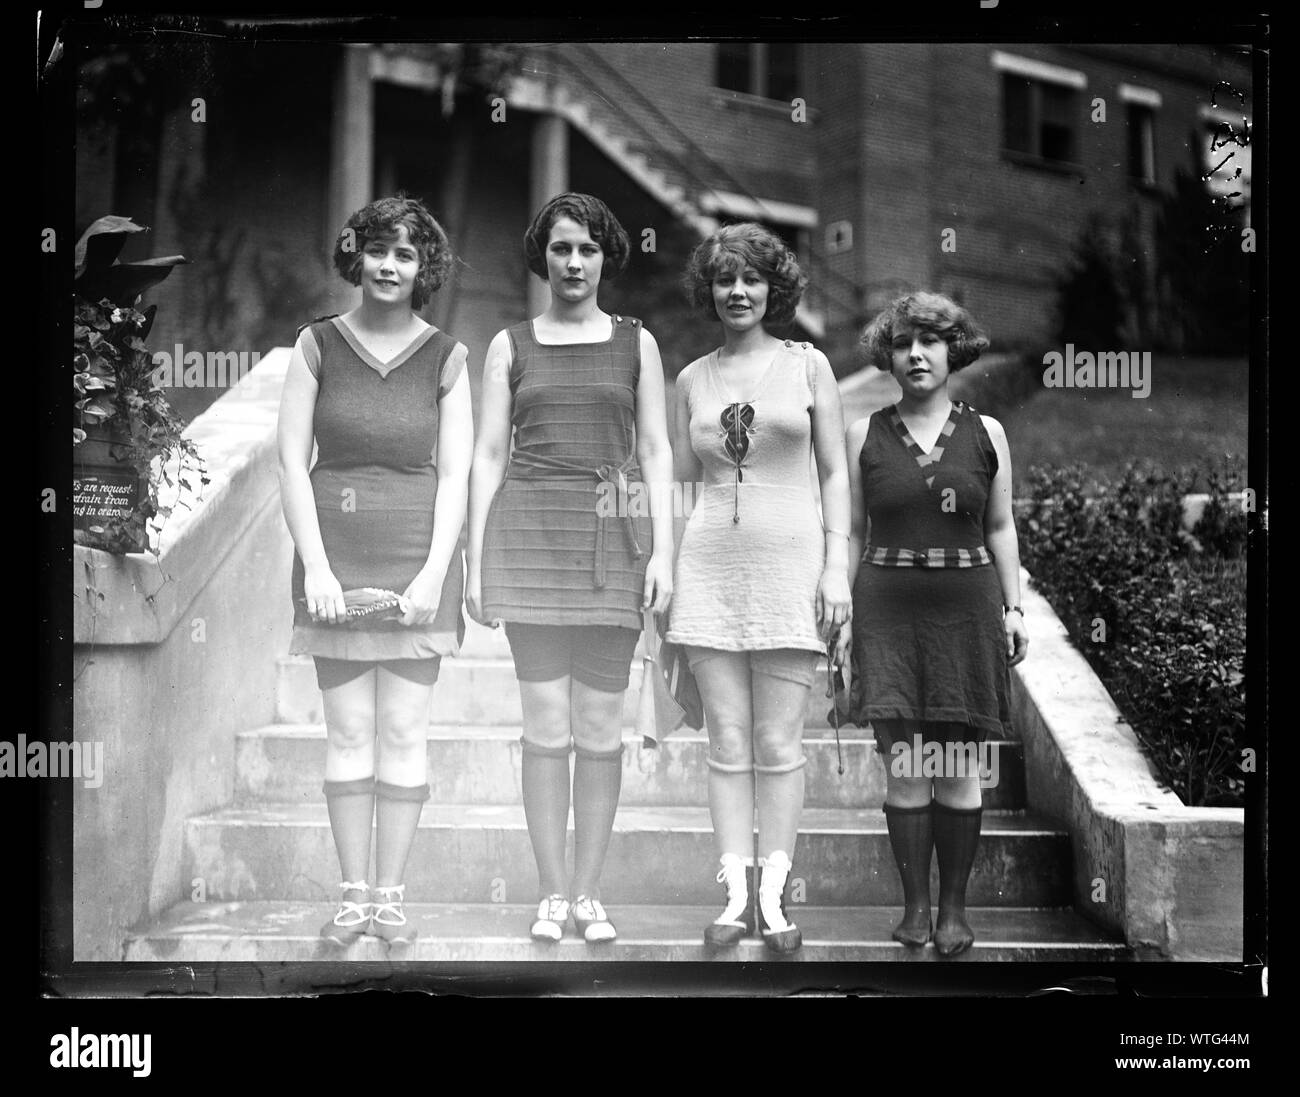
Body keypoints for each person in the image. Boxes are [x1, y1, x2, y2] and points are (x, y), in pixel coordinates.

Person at [466, 193, 673, 944]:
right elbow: (489, 454)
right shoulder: (510, 345)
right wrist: (475, 560)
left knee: (601, 727)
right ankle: (551, 893)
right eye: (561, 249)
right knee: (546, 726)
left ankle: (590, 893)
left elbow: (655, 452)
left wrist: (666, 556)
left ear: (605, 256)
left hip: (613, 544)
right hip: (529, 541)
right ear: (543, 256)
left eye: (587, 248)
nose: (574, 262)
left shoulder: (636, 343)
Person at [277, 195, 473, 949]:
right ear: (355, 257)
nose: (389, 265)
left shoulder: (448, 357)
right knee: (350, 729)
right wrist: (318, 569)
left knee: (402, 726)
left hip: (416, 567)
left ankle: (392, 895)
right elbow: (292, 462)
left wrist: (433, 576)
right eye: (377, 250)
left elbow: (454, 477)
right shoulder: (316, 345)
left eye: (406, 254)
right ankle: (352, 894)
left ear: (425, 269)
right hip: (337, 565)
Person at [669, 223, 851, 954]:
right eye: (724, 279)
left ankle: (773, 900)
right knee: (727, 743)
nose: (737, 291)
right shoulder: (691, 377)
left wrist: (837, 564)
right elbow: (681, 486)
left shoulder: (809, 367)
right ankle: (735, 893)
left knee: (779, 743)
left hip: (791, 571)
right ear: (709, 290)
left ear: (774, 289)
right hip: (709, 571)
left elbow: (836, 473)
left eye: (751, 279)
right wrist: (661, 567)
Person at [840, 291, 1029, 958]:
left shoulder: (987, 433)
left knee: (956, 768)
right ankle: (913, 908)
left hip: (965, 609)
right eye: (902, 343)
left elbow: (1000, 526)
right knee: (905, 768)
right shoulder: (863, 432)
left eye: (930, 341)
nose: (916, 354)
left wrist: (1013, 607)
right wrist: (839, 602)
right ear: (886, 357)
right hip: (886, 610)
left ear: (955, 351)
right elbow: (853, 531)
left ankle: (953, 910)